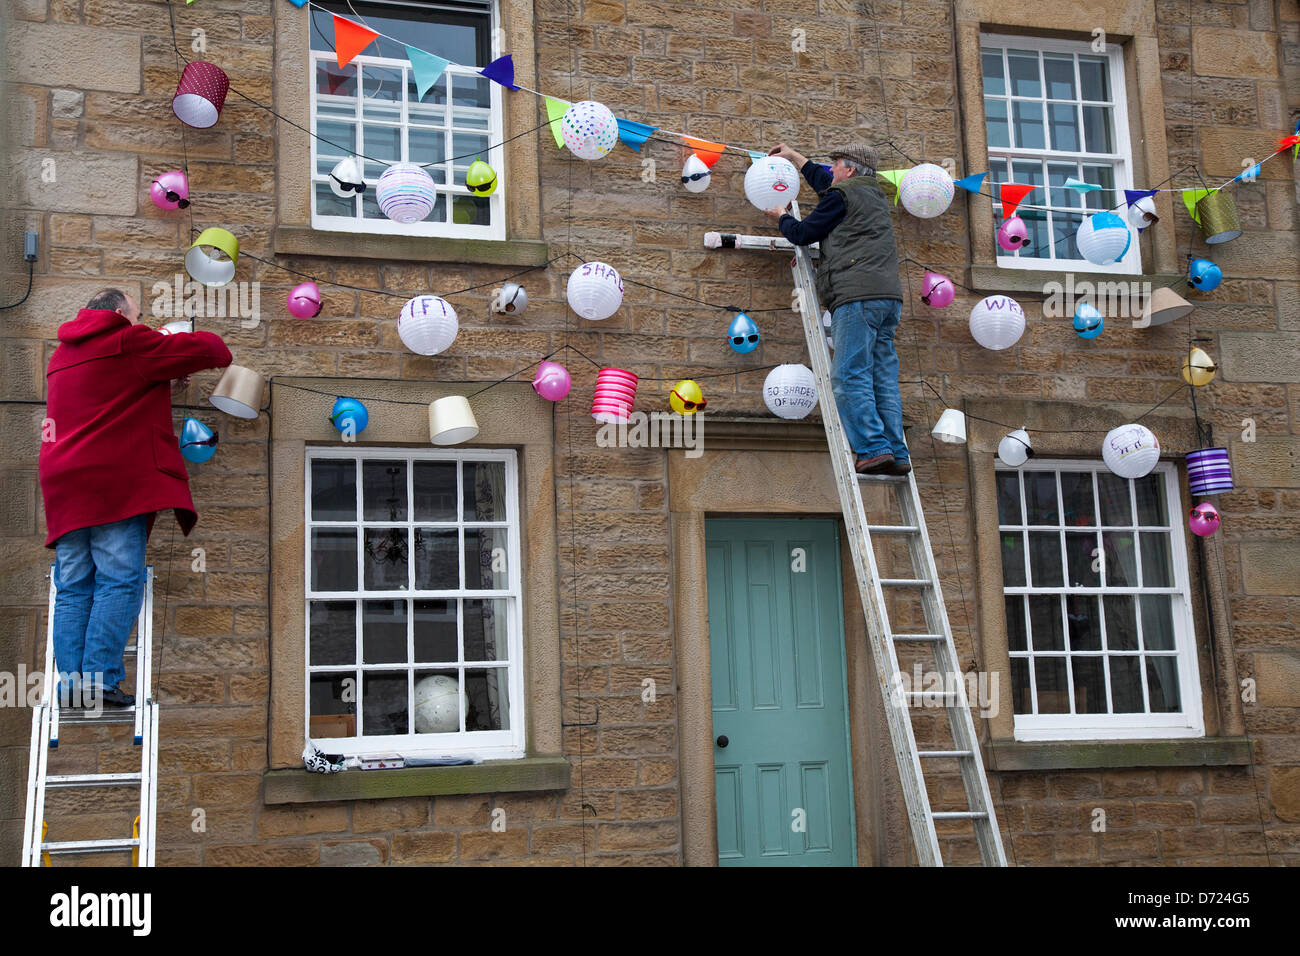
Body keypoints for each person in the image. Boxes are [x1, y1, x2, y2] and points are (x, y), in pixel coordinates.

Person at [38, 289, 233, 708]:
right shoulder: (128, 340)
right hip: (112, 482)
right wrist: (165, 340)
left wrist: (160, 376)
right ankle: (99, 682)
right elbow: (213, 349)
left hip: (62, 484)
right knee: (118, 580)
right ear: (118, 313)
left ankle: (73, 688)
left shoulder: (60, 357)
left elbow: (112, 396)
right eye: (137, 314)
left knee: (73, 588)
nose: (138, 320)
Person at [765, 143, 909, 476]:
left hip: (857, 297)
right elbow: (825, 185)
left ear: (851, 169)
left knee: (848, 375)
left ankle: (873, 449)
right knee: (882, 377)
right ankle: (896, 452)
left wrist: (782, 218)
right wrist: (794, 158)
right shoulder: (872, 195)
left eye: (836, 165)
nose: (831, 171)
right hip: (887, 298)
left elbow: (804, 233)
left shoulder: (841, 198)